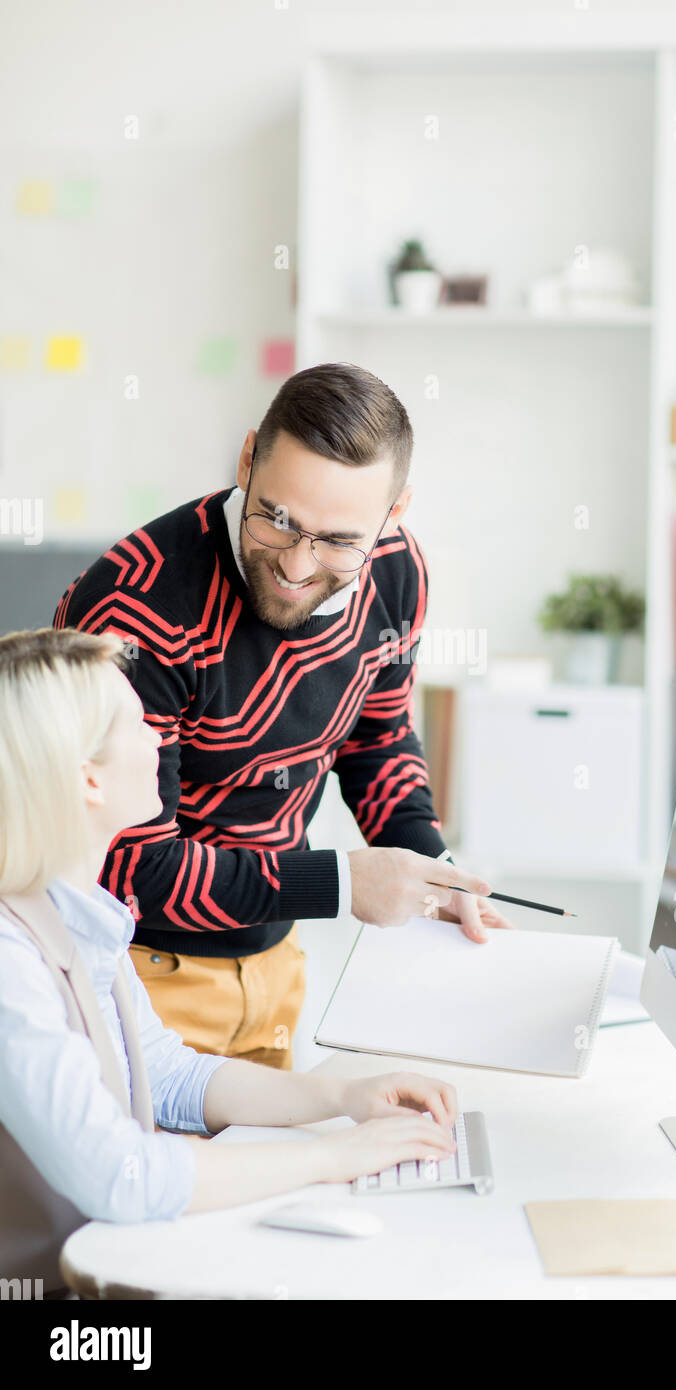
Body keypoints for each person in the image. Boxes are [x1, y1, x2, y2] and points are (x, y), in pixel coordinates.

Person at [53, 362, 512, 1068]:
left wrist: (433, 867)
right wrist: (341, 883)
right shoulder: (137, 606)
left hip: (275, 963)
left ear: (394, 515)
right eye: (278, 519)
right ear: (247, 460)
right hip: (136, 970)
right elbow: (129, 861)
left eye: (337, 541)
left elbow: (378, 739)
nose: (298, 566)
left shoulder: (395, 573)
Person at [0, 627, 462, 1288]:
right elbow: (120, 1174)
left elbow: (168, 1074)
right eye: (137, 725)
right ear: (88, 781)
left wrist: (341, 1096)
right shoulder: (10, 960)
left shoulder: (78, 914)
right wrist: (335, 1158)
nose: (161, 739)